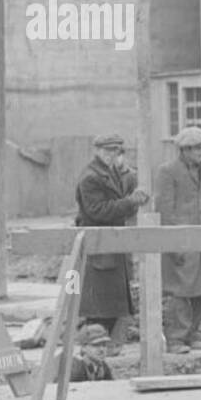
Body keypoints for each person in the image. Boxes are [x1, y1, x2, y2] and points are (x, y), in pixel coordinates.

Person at [74, 133, 149, 355]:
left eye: (114, 151)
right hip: (99, 246)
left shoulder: (112, 172)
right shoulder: (91, 177)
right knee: (98, 305)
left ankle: (106, 349)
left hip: (112, 246)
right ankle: (91, 351)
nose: (111, 155)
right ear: (97, 151)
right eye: (107, 151)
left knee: (113, 303)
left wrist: (132, 200)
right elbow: (98, 211)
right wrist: (129, 202)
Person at [156, 127, 201, 354]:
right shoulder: (168, 172)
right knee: (180, 292)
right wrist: (175, 244)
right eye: (195, 149)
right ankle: (176, 339)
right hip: (182, 243)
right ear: (183, 151)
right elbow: (165, 210)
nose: (200, 152)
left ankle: (193, 332)